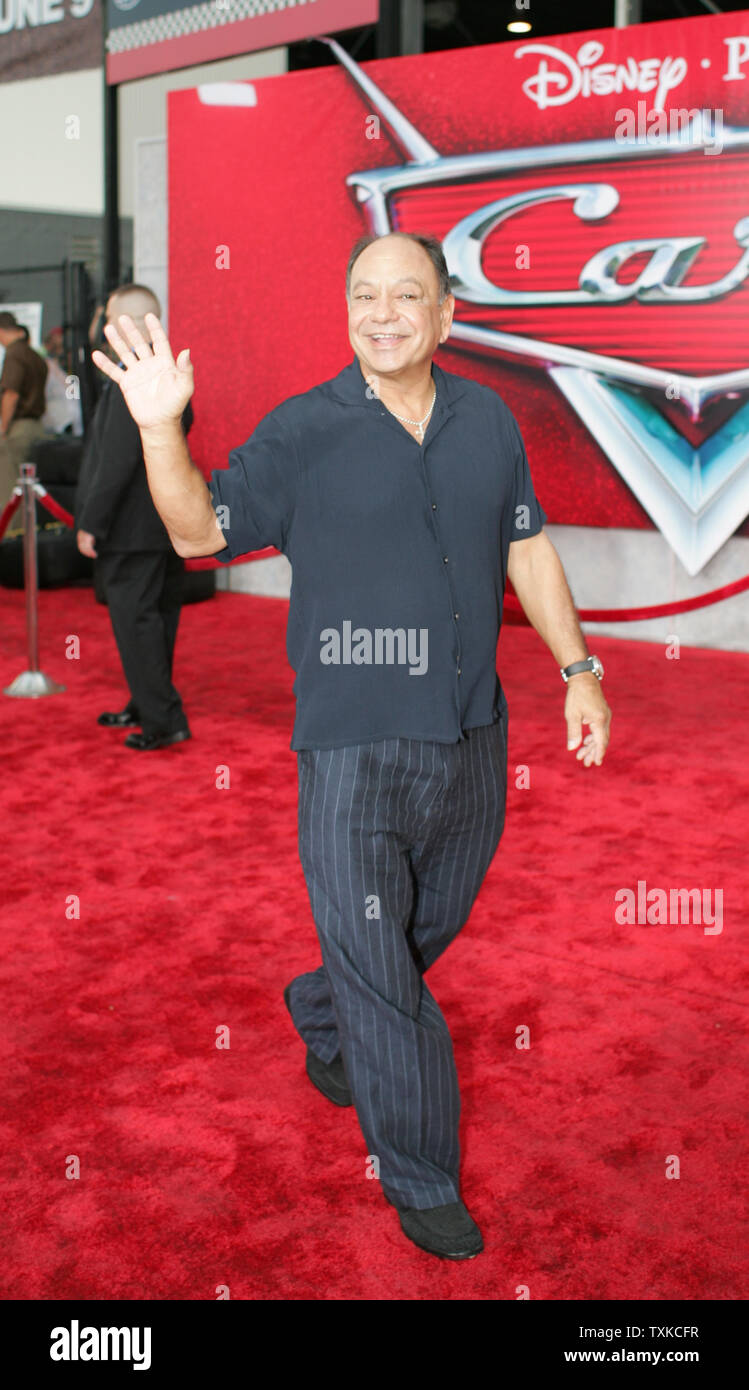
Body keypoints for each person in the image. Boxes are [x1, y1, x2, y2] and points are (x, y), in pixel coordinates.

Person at [91, 232, 612, 1258]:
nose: (382, 313)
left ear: (445, 316)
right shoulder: (301, 433)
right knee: (385, 979)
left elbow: (523, 542)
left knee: (423, 925)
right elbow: (200, 532)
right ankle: (417, 1172)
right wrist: (159, 432)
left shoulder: (487, 419)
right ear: (345, 313)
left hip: (470, 736)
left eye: (405, 295)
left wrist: (577, 667)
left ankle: (314, 1005)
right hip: (350, 753)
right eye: (364, 295)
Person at [77, 284, 193, 751]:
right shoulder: (165, 371)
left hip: (131, 527)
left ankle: (163, 720)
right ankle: (147, 703)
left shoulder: (134, 376)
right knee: (157, 618)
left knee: (136, 621)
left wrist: (91, 521)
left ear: (122, 323)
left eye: (106, 317)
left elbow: (117, 460)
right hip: (167, 519)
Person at [0, 311, 49, 518]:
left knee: (10, 488)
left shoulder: (14, 353)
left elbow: (11, 393)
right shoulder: (34, 354)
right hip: (36, 426)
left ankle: (12, 537)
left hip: (19, 428)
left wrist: (2, 428)